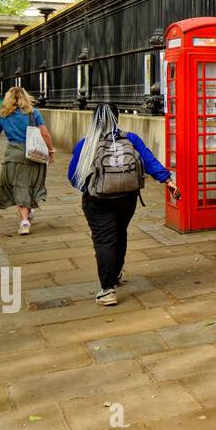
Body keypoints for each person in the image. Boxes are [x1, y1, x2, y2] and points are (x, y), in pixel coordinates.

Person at [68, 104, 177, 306]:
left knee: (104, 240)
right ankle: (116, 271)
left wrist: (91, 189)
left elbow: (74, 177)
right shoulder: (131, 139)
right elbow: (149, 161)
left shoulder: (87, 143)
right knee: (120, 232)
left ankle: (107, 289)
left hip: (98, 200)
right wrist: (168, 181)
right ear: (117, 118)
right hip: (127, 198)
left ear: (94, 120)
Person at [0, 86, 54, 234]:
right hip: (34, 153)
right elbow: (45, 134)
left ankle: (25, 221)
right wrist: (50, 151)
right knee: (30, 183)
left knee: (19, 185)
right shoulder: (33, 113)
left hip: (13, 154)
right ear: (25, 97)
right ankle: (27, 214)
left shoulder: (2, 115)